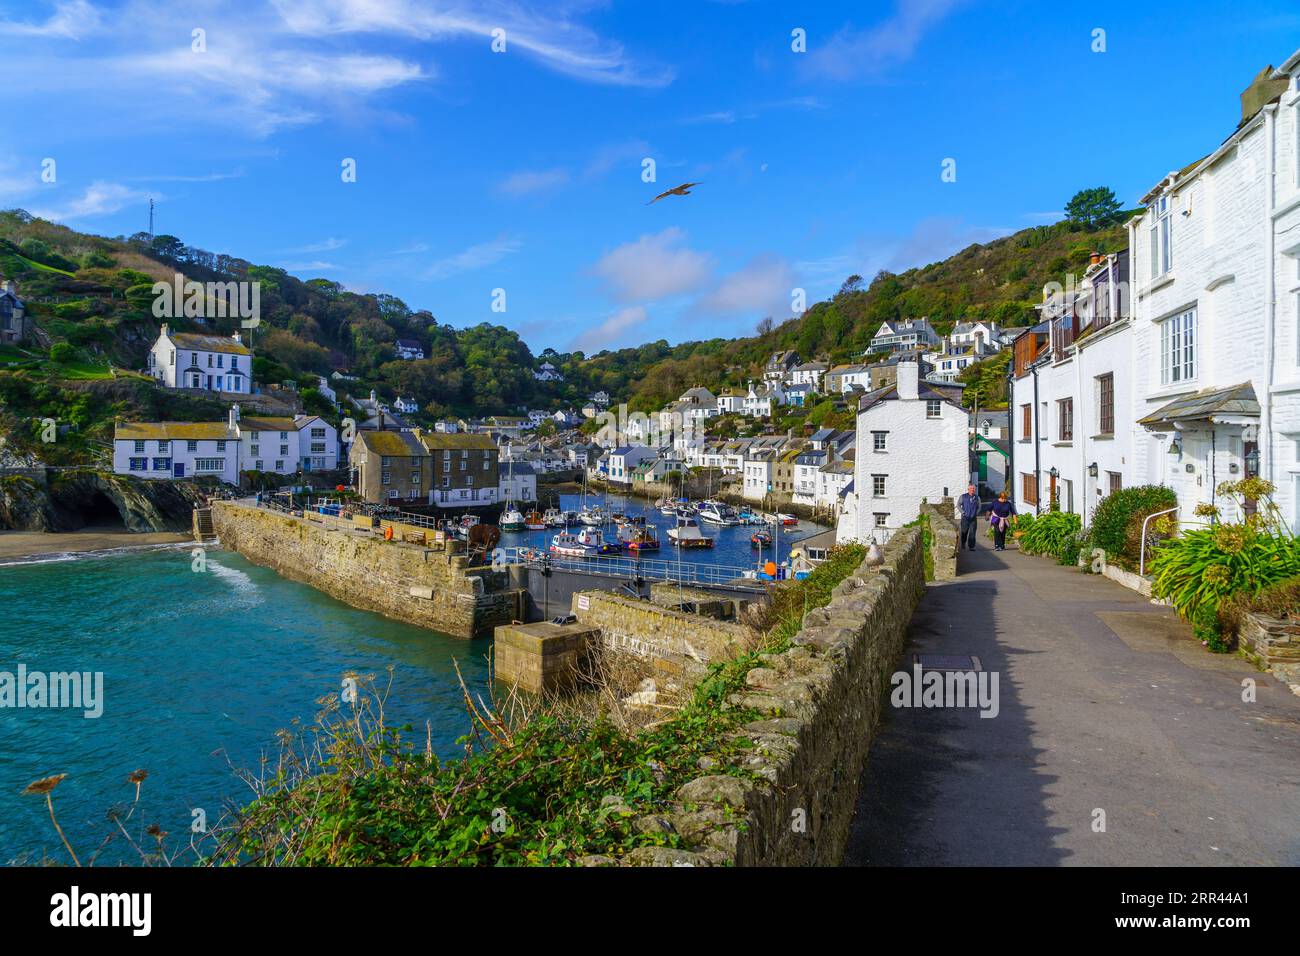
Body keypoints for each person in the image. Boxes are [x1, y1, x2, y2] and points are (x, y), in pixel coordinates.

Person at [956, 484, 982, 551]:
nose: (973, 490)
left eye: (974, 489)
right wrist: (962, 512)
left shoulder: (977, 498)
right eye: (971, 488)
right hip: (965, 518)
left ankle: (971, 546)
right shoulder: (963, 496)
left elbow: (979, 507)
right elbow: (958, 505)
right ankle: (963, 543)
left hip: (973, 518)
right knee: (964, 532)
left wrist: (976, 513)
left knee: (972, 533)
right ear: (968, 489)